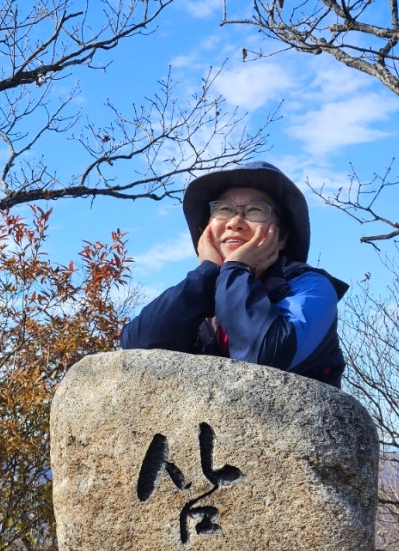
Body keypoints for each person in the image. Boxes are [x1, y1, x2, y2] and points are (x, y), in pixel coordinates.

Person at [120, 162, 347, 387]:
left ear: (282, 236)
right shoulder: (199, 292)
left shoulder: (310, 288)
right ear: (205, 230)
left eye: (255, 211)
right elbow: (137, 351)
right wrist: (207, 271)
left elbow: (264, 359)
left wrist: (236, 267)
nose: (235, 222)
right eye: (223, 209)